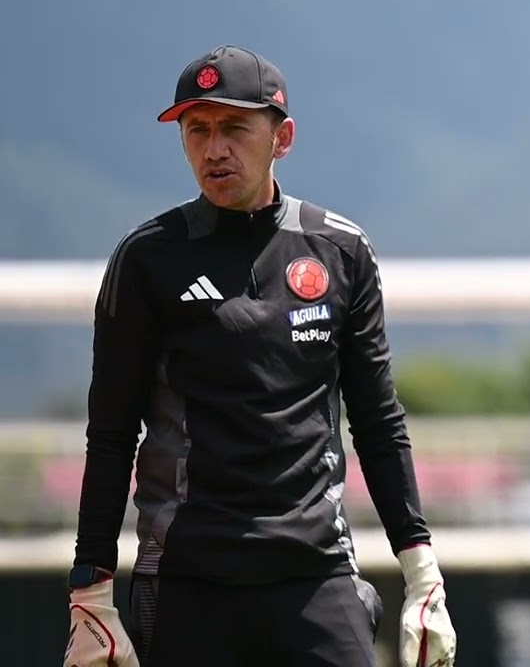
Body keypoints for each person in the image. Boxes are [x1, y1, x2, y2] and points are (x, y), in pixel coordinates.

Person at [62, 45, 457, 667]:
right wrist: (90, 592)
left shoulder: (341, 250)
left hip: (316, 574)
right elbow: (110, 433)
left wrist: (422, 573)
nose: (214, 149)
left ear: (283, 137)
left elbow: (378, 421)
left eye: (234, 128)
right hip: (186, 582)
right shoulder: (145, 260)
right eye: (198, 131)